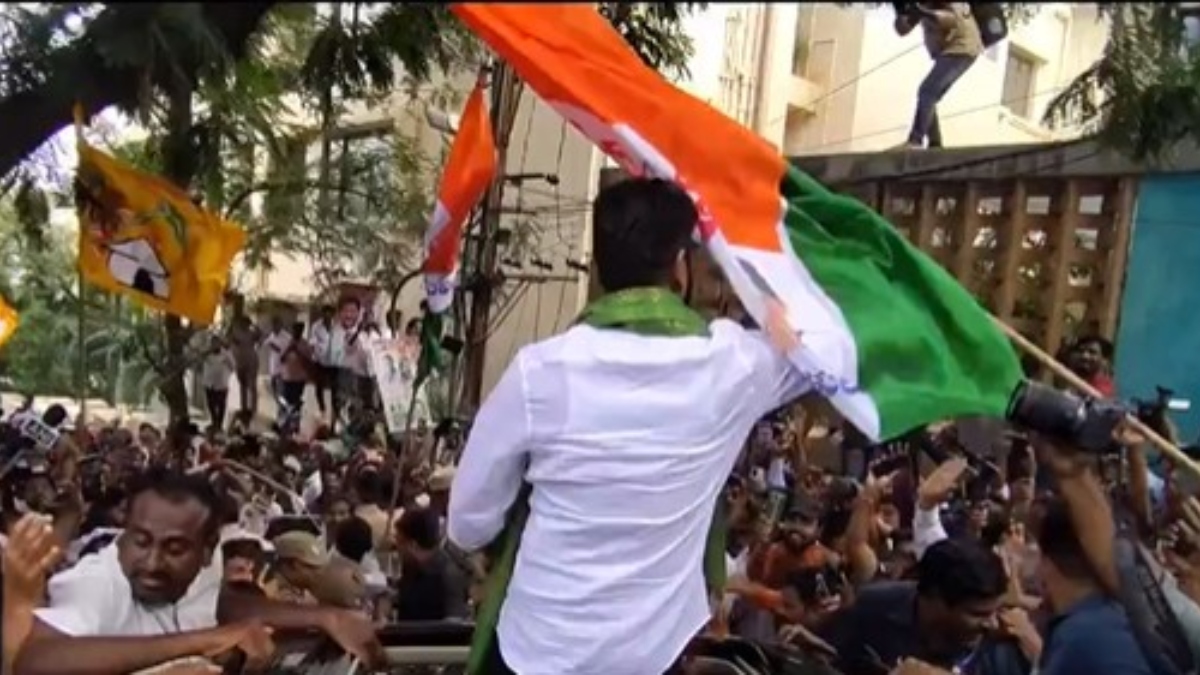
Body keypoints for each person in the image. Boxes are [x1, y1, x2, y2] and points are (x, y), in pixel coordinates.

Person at [448, 177, 812, 674]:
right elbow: (819, 339)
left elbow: (469, 523)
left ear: (597, 271)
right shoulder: (733, 368)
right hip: (650, 659)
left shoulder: (540, 372)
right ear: (681, 269)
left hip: (535, 649)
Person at [16, 468, 384, 674]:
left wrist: (326, 617)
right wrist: (203, 643)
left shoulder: (204, 575)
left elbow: (227, 605)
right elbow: (35, 662)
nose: (152, 562)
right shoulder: (98, 581)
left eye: (175, 549)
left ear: (207, 552)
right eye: (141, 541)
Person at [820, 538, 1029, 675]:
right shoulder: (873, 609)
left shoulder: (1004, 649)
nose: (992, 623)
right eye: (977, 614)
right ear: (934, 600)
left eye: (995, 610)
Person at [894, 2, 983, 149]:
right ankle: (935, 144)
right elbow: (902, 30)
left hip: (962, 48)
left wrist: (926, 13)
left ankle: (916, 140)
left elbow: (952, 19)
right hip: (949, 51)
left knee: (927, 91)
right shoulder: (919, 5)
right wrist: (902, 15)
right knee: (929, 95)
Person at [227, 314, 261, 417]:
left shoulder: (251, 333)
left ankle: (253, 408)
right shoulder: (235, 332)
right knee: (242, 385)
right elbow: (228, 338)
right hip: (240, 361)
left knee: (252, 385)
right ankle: (244, 407)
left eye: (245, 323)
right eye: (242, 323)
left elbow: (259, 334)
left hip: (251, 360)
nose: (244, 325)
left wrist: (254, 325)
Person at [200, 337, 236, 430]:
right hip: (209, 383)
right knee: (211, 404)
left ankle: (219, 424)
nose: (215, 345)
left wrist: (227, 362)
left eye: (217, 343)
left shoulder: (226, 354)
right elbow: (199, 359)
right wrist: (205, 353)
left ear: (220, 344)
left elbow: (233, 367)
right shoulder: (206, 354)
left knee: (221, 405)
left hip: (222, 384)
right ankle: (214, 421)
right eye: (213, 343)